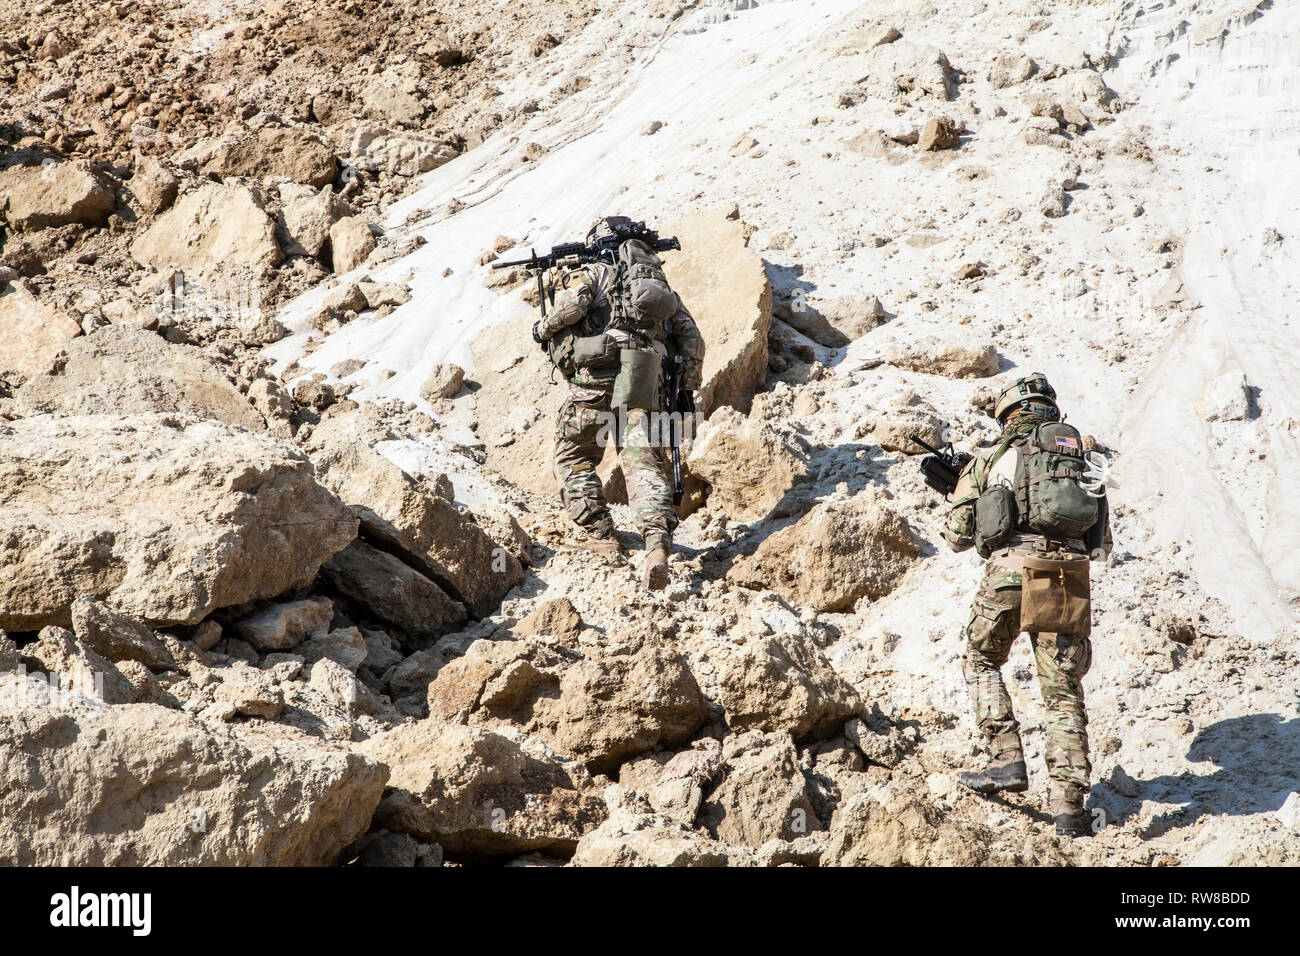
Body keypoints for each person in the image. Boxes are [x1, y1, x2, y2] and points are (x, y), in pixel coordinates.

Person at [942, 373, 1112, 836]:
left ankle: (1006, 761)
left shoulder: (994, 457)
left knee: (981, 661)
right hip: (1066, 575)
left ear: (1007, 414)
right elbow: (1102, 546)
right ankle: (1070, 809)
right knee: (1062, 691)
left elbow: (958, 536)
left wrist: (965, 492)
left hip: (1009, 574)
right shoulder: (1083, 460)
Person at [532, 216, 705, 591]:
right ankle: (656, 545)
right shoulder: (658, 288)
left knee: (574, 456)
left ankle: (601, 534)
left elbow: (572, 308)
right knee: (644, 463)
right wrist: (686, 391)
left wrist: (541, 329)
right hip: (646, 376)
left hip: (595, 380)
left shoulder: (593, 273)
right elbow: (692, 340)